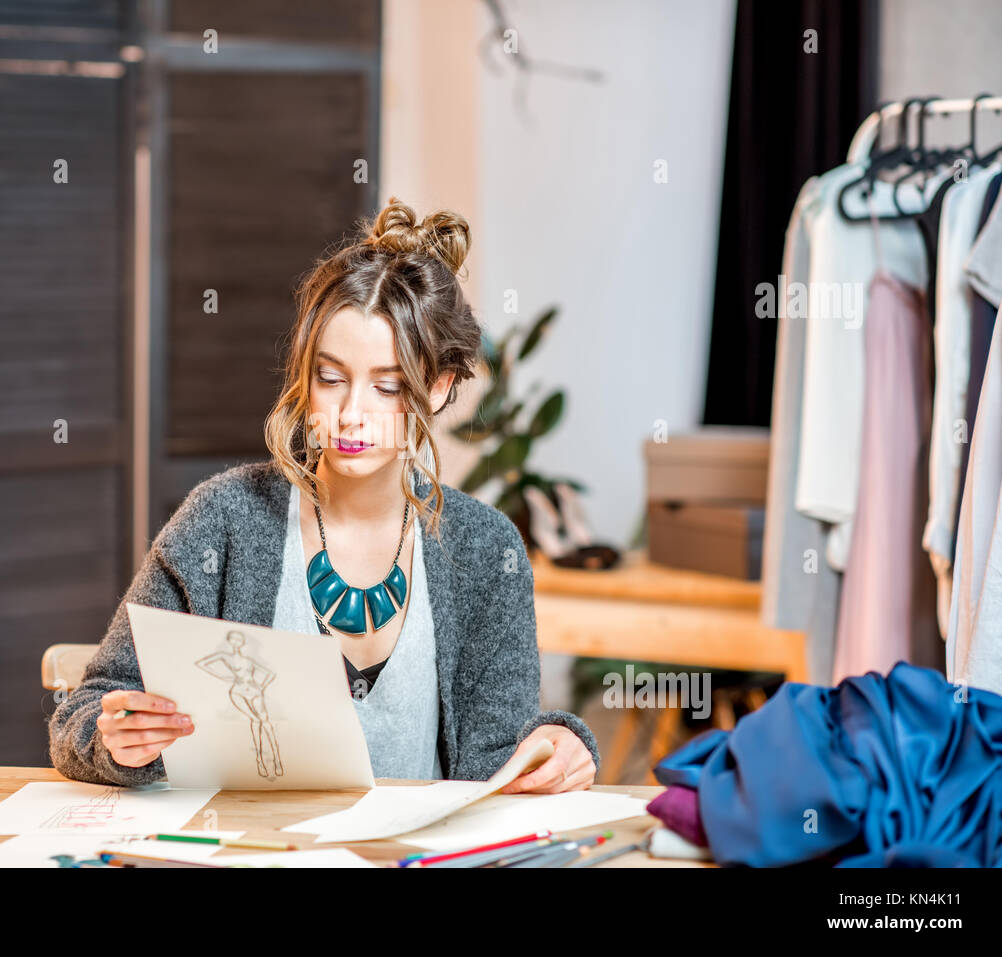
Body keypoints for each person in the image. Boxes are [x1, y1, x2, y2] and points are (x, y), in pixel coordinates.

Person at [49, 196, 600, 792]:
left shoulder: (485, 549)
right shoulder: (224, 520)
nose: (350, 415)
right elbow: (87, 712)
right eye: (330, 379)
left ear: (439, 388)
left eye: (388, 386)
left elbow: (501, 764)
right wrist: (118, 741)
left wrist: (561, 744)